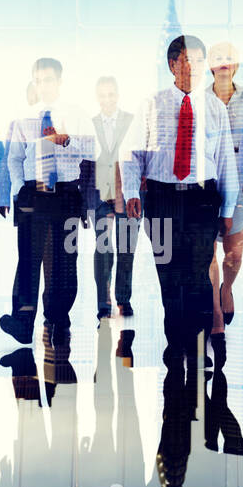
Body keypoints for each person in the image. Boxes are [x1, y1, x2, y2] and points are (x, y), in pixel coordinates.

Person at [121, 35, 238, 364]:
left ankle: (199, 347)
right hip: (162, 198)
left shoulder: (214, 106)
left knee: (199, 275)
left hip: (202, 200)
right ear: (172, 65)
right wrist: (131, 191)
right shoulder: (152, 104)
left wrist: (228, 209)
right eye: (186, 60)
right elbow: (131, 153)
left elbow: (225, 159)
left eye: (199, 61)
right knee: (170, 276)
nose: (194, 68)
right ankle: (177, 343)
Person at [1, 58, 94, 344]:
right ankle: (22, 323)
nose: (45, 85)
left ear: (59, 81)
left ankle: (58, 318)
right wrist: (18, 190)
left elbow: (91, 150)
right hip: (32, 193)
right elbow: (14, 158)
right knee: (28, 260)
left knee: (64, 261)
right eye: (39, 80)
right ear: (34, 82)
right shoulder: (22, 117)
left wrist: (67, 141)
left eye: (50, 79)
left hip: (66, 193)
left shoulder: (76, 114)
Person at [205, 43, 243, 334]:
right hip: (209, 181)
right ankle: (215, 308)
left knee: (233, 254)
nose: (224, 63)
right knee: (209, 251)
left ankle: (227, 289)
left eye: (229, 59)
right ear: (210, 66)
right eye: (218, 59)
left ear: (236, 65)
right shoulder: (200, 101)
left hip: (239, 181)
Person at [86, 75, 137, 319]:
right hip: (99, 193)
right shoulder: (89, 124)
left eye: (111, 94)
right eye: (103, 95)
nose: (107, 99)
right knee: (103, 249)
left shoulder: (132, 122)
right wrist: (86, 203)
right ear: (97, 98)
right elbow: (84, 166)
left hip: (127, 192)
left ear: (118, 95)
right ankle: (103, 303)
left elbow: (140, 156)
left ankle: (123, 299)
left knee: (127, 249)